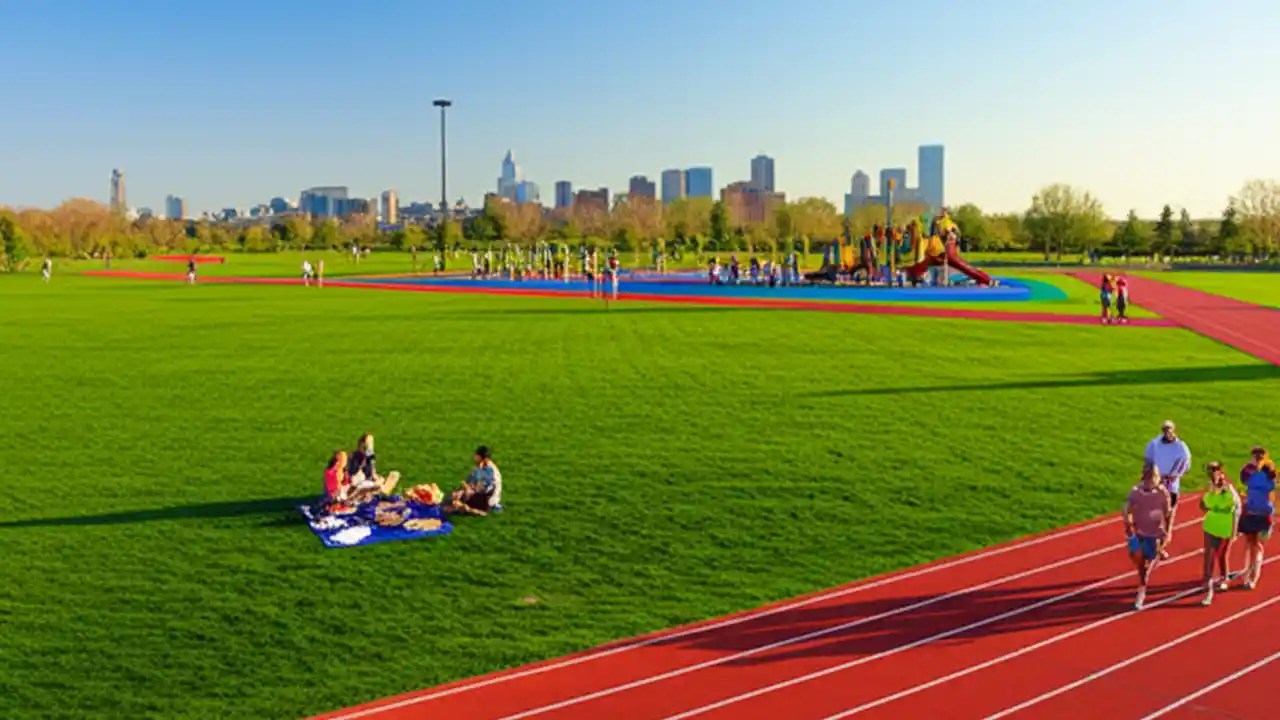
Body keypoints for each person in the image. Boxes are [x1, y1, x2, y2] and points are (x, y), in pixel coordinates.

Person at [1123, 464, 1173, 610]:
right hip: (1139, 533)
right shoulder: (1136, 492)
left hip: (1154, 534)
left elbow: (1168, 514)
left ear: (1158, 479)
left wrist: (1168, 532)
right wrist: (1128, 521)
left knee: (1145, 568)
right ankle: (1156, 556)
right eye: (1148, 477)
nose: (1151, 480)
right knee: (1137, 559)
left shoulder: (1162, 493)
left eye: (1154, 477)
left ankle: (1141, 591)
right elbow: (1127, 507)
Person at [1144, 420, 1192, 559]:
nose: (1167, 432)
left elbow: (1184, 465)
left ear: (1174, 430)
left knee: (1167, 519)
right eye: (1164, 429)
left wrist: (1172, 475)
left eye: (1169, 429)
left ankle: (1161, 545)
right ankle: (1154, 546)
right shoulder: (1155, 444)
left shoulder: (1181, 448)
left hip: (1170, 488)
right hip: (1155, 485)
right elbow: (1148, 460)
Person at [1200, 462, 1241, 606]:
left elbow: (1230, 506)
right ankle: (1208, 580)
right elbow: (1205, 504)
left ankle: (1224, 577)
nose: (1212, 474)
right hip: (1211, 525)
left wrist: (1234, 531)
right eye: (1210, 471)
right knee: (1209, 554)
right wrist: (1211, 495)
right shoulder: (1210, 489)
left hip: (1225, 527)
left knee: (1222, 554)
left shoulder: (1228, 489)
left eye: (1215, 470)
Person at [1238, 446, 1277, 590]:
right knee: (1249, 543)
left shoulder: (1269, 472)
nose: (1258, 459)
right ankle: (1248, 573)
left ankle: (1253, 577)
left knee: (1257, 545)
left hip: (1262, 514)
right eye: (1256, 456)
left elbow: (1272, 487)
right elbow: (1243, 480)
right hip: (1251, 511)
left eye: (1261, 456)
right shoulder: (1249, 471)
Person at [448, 445, 504, 516]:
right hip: (482, 495)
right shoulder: (482, 467)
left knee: (453, 503)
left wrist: (465, 490)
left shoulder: (489, 472)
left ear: (482, 458)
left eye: (477, 456)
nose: (474, 457)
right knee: (453, 497)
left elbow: (482, 489)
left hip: (487, 500)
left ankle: (471, 510)